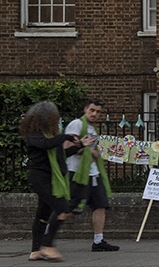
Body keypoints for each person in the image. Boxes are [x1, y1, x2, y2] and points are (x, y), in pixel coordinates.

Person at [21, 100, 85, 263]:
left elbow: (61, 155)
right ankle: (47, 245)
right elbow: (46, 145)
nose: (55, 122)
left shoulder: (51, 137)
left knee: (43, 215)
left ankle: (36, 250)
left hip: (51, 179)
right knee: (63, 208)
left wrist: (80, 145)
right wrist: (65, 136)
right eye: (53, 118)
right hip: (40, 178)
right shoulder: (33, 135)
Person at [64, 98, 116, 252]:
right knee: (70, 208)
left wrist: (95, 153)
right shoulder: (77, 124)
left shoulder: (93, 129)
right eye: (92, 110)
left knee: (100, 205)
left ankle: (98, 241)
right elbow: (67, 147)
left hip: (93, 172)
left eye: (98, 112)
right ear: (85, 109)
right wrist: (89, 151)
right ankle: (46, 233)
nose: (94, 114)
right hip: (77, 172)